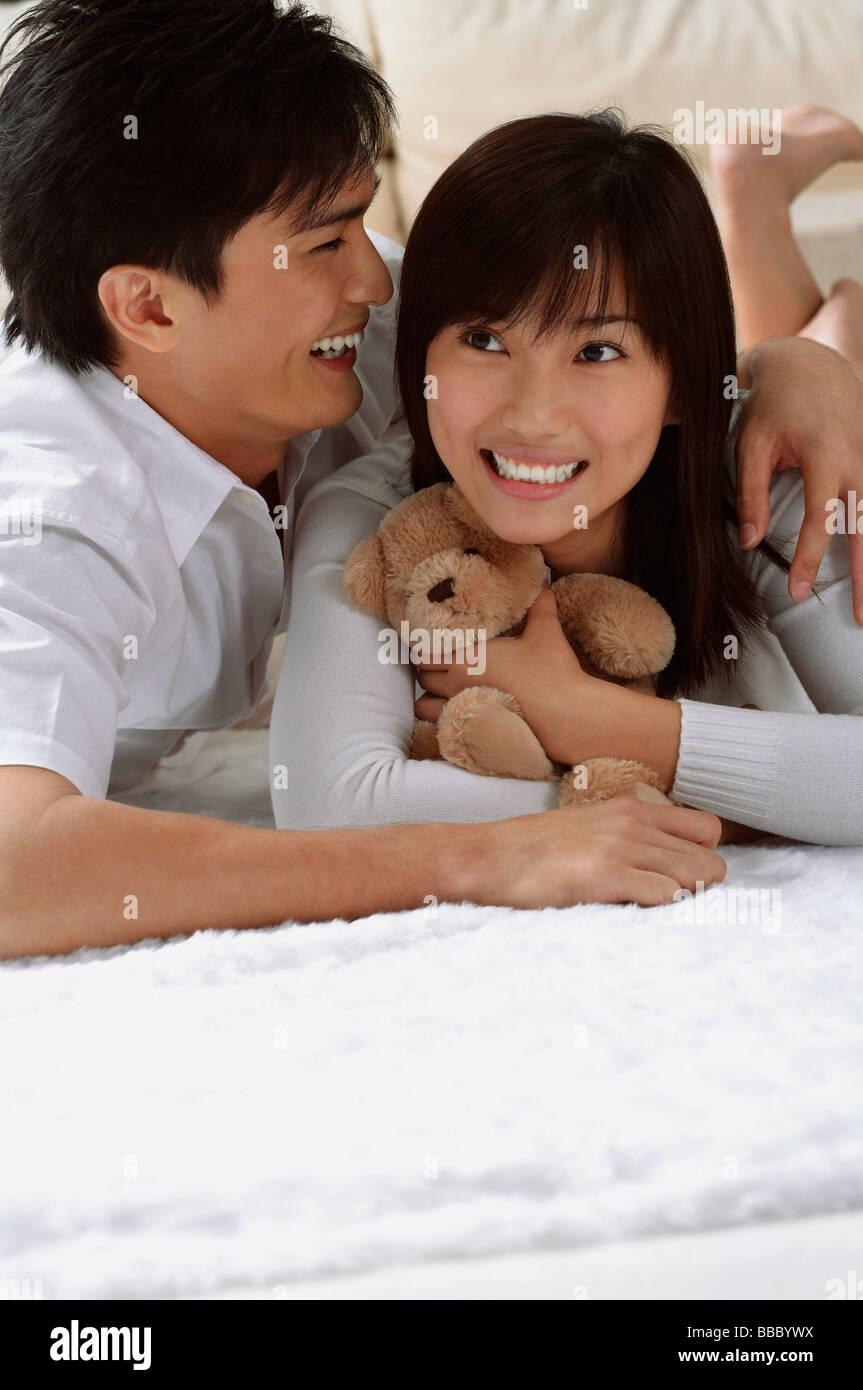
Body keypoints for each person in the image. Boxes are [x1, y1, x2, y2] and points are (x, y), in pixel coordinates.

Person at [0, 5, 856, 957]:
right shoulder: (44, 515)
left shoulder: (358, 329)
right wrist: (483, 855)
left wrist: (794, 366)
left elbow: (620, 353)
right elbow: (12, 867)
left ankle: (770, 229)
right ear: (150, 307)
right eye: (326, 243)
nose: (376, 280)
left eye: (364, 221)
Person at [271, 106, 863, 848]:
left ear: (682, 385)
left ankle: (763, 218)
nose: (533, 417)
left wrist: (592, 720)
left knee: (825, 358)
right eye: (484, 339)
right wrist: (768, 804)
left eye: (597, 352)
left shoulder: (770, 480)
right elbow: (330, 805)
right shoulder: (368, 514)